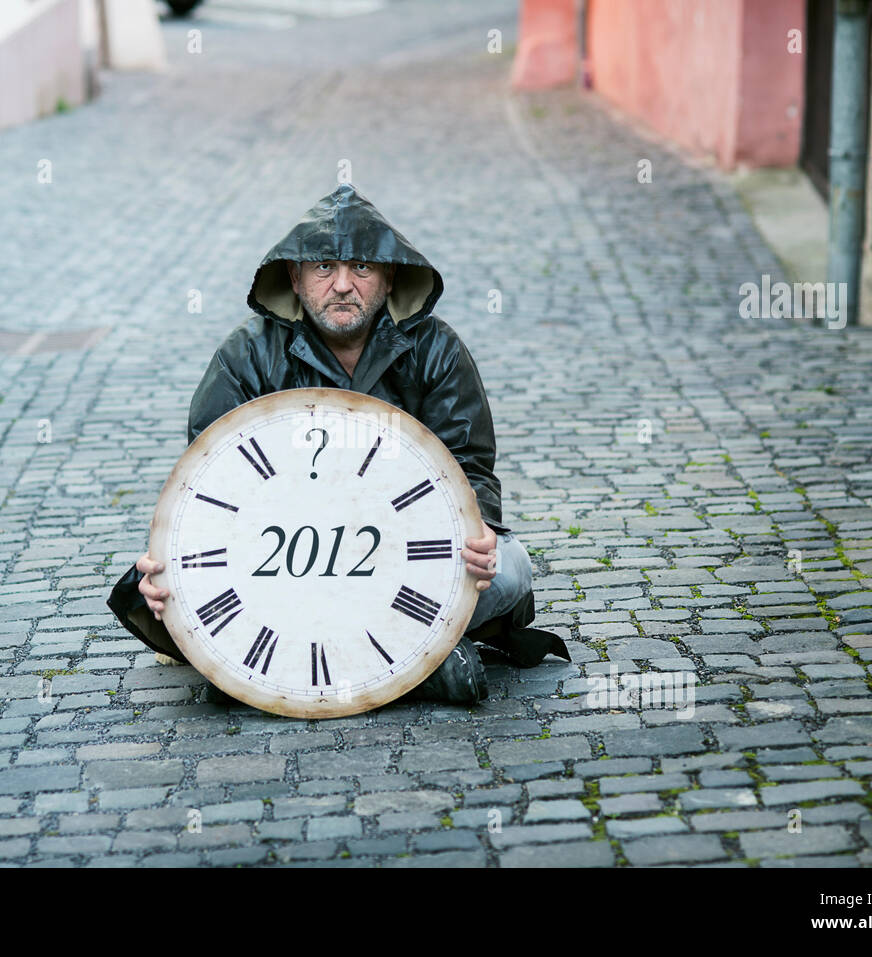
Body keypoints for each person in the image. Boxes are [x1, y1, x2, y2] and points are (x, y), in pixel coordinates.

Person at [107, 183, 568, 704]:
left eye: (362, 269)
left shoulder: (436, 348)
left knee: (511, 566)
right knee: (163, 586)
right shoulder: (247, 356)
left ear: (389, 276)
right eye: (324, 268)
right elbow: (209, 483)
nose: (343, 285)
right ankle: (421, 659)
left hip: (408, 550)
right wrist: (174, 564)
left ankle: (334, 662)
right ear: (295, 279)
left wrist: (480, 528)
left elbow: (470, 465)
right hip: (281, 556)